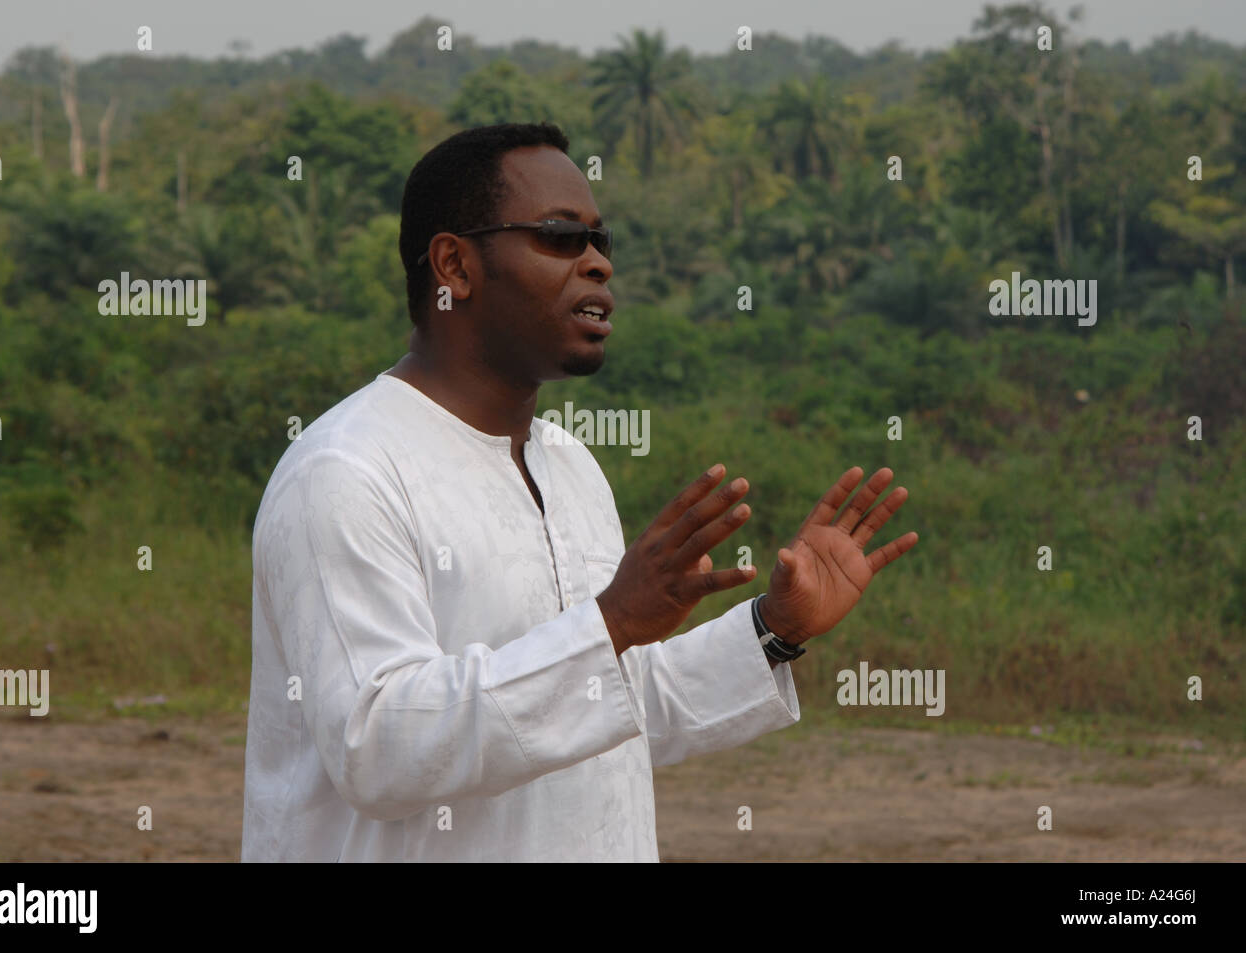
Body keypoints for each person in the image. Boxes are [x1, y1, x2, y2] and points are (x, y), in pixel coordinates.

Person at [241, 122, 918, 862]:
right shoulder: (346, 471)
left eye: (601, 242)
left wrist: (772, 628)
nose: (596, 264)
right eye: (560, 237)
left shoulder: (570, 466)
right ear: (453, 266)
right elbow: (375, 745)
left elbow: (602, 704)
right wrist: (610, 622)